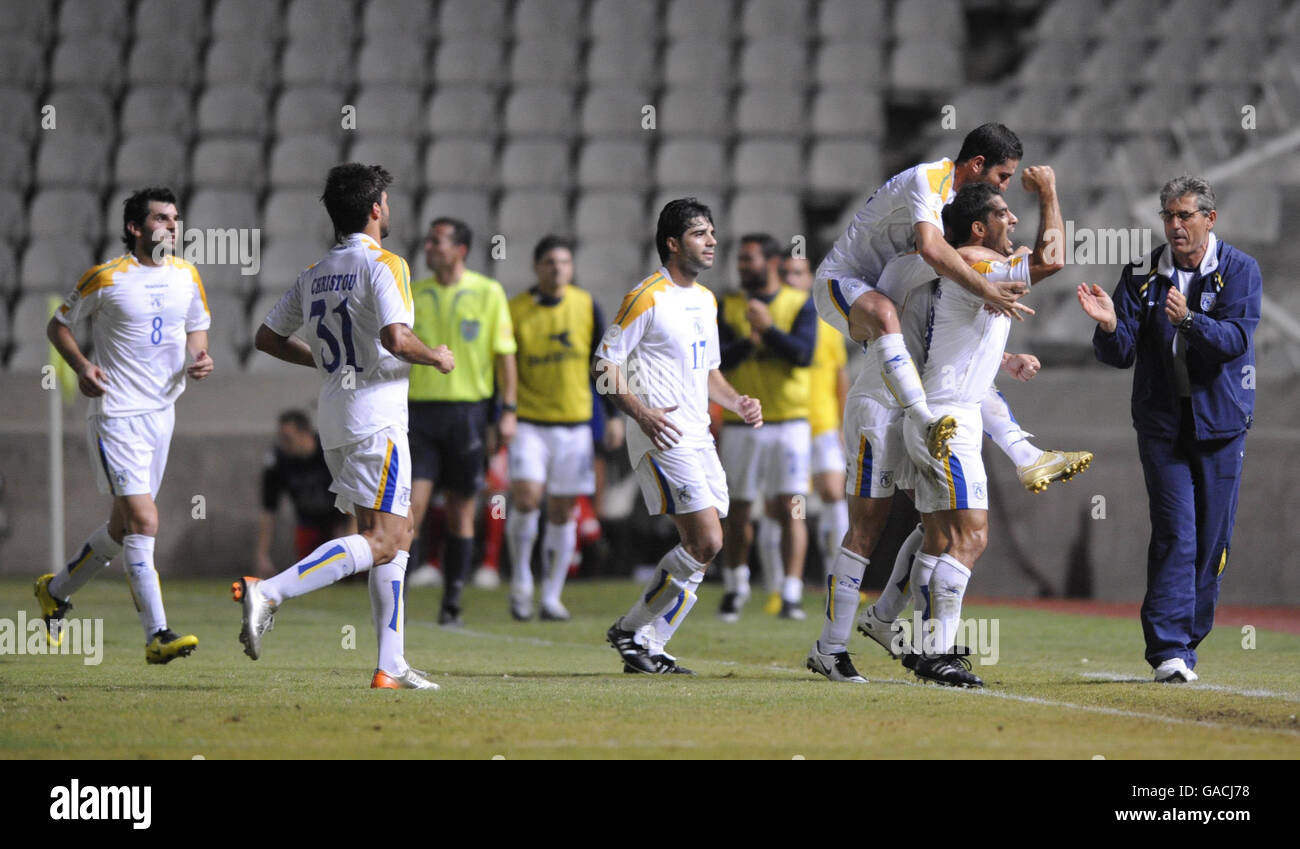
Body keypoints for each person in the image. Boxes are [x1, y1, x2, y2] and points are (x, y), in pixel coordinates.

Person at [235, 163, 455, 690]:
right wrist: (437, 356)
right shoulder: (385, 263)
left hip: (336, 418)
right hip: (376, 419)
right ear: (376, 208)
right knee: (385, 538)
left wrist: (326, 362)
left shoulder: (317, 271)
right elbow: (397, 338)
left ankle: (390, 665)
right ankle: (270, 591)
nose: (389, 210)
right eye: (387, 202)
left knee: (394, 537)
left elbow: (266, 338)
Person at [1077, 176, 1259, 684]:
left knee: (1212, 542)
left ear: (1209, 219)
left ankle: (1186, 642)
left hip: (1221, 425)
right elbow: (1121, 353)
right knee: (1176, 532)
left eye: (1185, 216)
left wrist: (1189, 322)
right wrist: (1109, 326)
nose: (1175, 226)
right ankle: (1169, 650)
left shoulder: (1240, 270)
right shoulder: (1140, 271)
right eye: (1168, 216)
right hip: (1163, 425)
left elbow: (1235, 340)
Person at [34, 187, 213, 664]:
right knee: (145, 520)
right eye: (160, 218)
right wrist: (81, 366)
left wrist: (199, 356)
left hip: (162, 414)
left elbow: (197, 325)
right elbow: (58, 326)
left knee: (121, 529)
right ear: (135, 227)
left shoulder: (186, 274)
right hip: (115, 415)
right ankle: (157, 635)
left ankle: (55, 591)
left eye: (174, 218)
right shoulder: (107, 277)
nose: (171, 226)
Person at [898, 174, 1064, 688]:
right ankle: (936, 654)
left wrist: (1006, 358)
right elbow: (1052, 259)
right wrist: (1049, 193)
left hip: (940, 413)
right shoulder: (974, 262)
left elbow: (964, 340)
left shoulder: (974, 269)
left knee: (941, 538)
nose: (1013, 218)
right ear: (978, 226)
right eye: (1003, 212)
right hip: (948, 421)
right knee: (971, 537)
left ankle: (920, 645)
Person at [594, 198, 762, 674]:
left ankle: (649, 644)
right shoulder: (645, 296)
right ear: (672, 243)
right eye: (699, 234)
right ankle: (630, 629)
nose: (712, 242)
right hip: (662, 434)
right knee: (706, 539)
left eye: (712, 233)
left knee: (704, 547)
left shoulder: (706, 299)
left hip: (699, 435)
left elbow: (709, 371)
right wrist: (642, 414)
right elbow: (604, 366)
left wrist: (737, 402)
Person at [404, 217, 517, 626]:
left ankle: (451, 603)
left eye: (437, 241)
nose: (429, 247)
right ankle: (396, 600)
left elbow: (505, 355)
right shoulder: (414, 293)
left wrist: (508, 411)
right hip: (419, 413)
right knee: (411, 509)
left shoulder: (488, 292)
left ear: (460, 250)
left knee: (461, 511)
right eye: (428, 241)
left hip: (468, 414)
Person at [505, 235, 623, 621]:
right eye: (550, 262)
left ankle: (552, 596)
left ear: (572, 268)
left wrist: (613, 415)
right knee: (526, 498)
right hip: (529, 422)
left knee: (563, 510)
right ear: (536, 267)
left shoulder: (586, 305)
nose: (558, 269)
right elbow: (504, 367)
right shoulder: (516, 309)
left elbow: (601, 363)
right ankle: (521, 580)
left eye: (564, 262)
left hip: (574, 424)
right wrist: (502, 414)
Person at [716, 233, 816, 622]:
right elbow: (719, 361)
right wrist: (752, 339)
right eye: (740, 260)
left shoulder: (799, 302)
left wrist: (769, 331)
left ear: (772, 262)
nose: (742, 267)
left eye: (750, 259)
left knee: (793, 507)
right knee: (738, 509)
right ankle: (735, 585)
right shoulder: (727, 305)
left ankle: (791, 591)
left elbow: (803, 355)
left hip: (790, 421)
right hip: (741, 422)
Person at [780, 249, 850, 601]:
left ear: (809, 278)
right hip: (787, 424)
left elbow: (839, 377)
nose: (793, 280)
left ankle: (836, 577)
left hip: (823, 424)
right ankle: (781, 584)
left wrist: (842, 425)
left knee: (834, 493)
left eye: (799, 273)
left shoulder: (827, 323)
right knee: (793, 504)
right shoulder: (775, 319)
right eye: (787, 273)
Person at [254, 410, 354, 578]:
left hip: (340, 520)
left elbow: (354, 490)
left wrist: (352, 531)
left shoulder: (330, 451)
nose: (284, 444)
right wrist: (262, 555)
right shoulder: (278, 461)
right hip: (308, 523)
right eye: (281, 439)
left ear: (305, 433)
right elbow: (269, 509)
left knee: (356, 566)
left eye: (288, 438)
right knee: (309, 573)